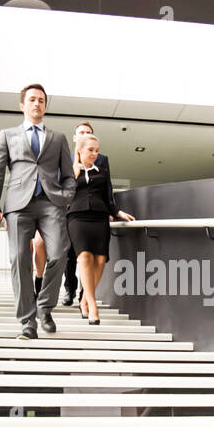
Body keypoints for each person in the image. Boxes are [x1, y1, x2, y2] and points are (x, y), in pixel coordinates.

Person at [0, 83, 75, 340]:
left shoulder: (58, 138)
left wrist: (66, 196)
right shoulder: (7, 135)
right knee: (19, 259)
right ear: (22, 105)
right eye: (33, 100)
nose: (37, 104)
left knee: (59, 253)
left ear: (45, 106)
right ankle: (27, 321)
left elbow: (68, 175)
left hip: (51, 203)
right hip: (18, 206)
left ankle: (44, 307)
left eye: (42, 100)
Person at [66, 133, 134, 325]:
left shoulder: (102, 173)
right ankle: (92, 306)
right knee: (84, 256)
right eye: (90, 150)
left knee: (100, 260)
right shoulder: (70, 173)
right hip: (77, 218)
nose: (95, 153)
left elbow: (108, 199)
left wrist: (119, 212)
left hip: (99, 218)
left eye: (97, 150)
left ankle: (84, 299)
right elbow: (61, 198)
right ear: (79, 150)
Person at [61, 121, 95, 306]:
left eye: (88, 132)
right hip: (70, 213)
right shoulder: (65, 159)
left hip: (91, 215)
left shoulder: (101, 159)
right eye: (81, 132)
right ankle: (70, 290)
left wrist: (110, 210)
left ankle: (85, 294)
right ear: (75, 137)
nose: (84, 135)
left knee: (87, 255)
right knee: (70, 256)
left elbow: (106, 187)